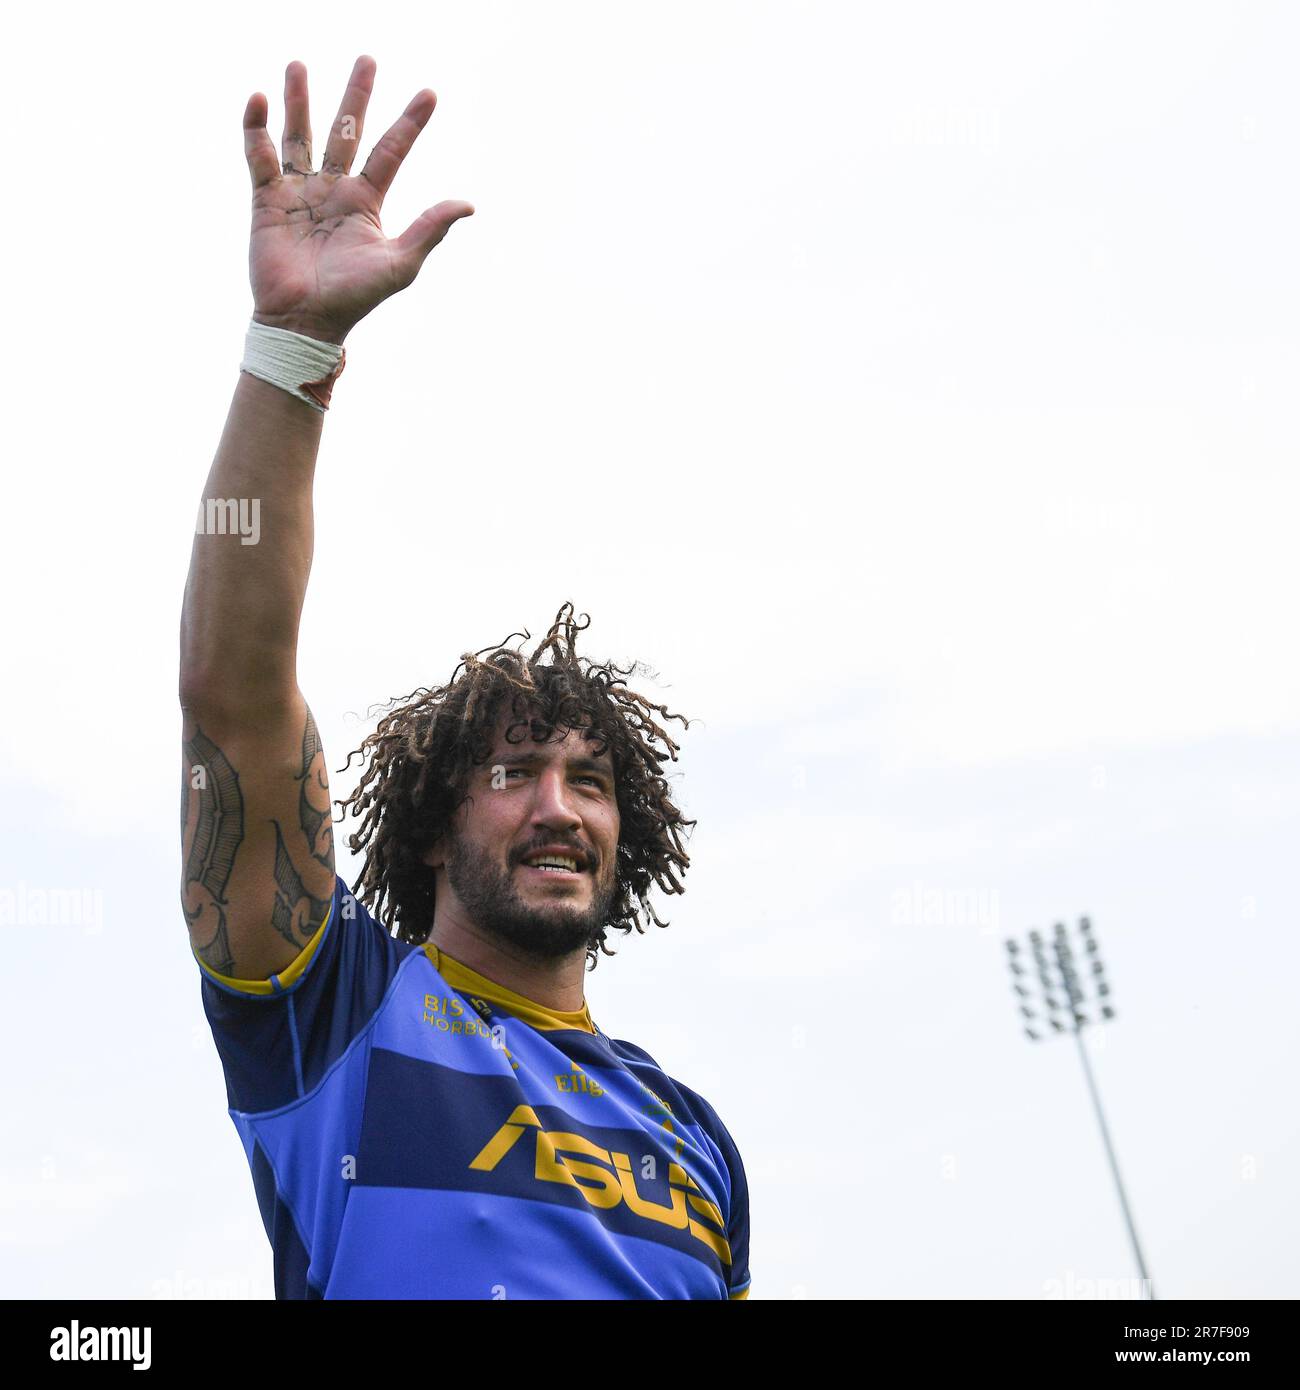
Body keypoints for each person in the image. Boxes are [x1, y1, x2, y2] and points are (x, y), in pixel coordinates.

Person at [178, 55, 751, 1300]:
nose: (559, 805)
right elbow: (234, 693)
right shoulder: (333, 1013)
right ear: (436, 827)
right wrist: (290, 352)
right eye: (512, 772)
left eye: (590, 779)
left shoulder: (695, 1138)